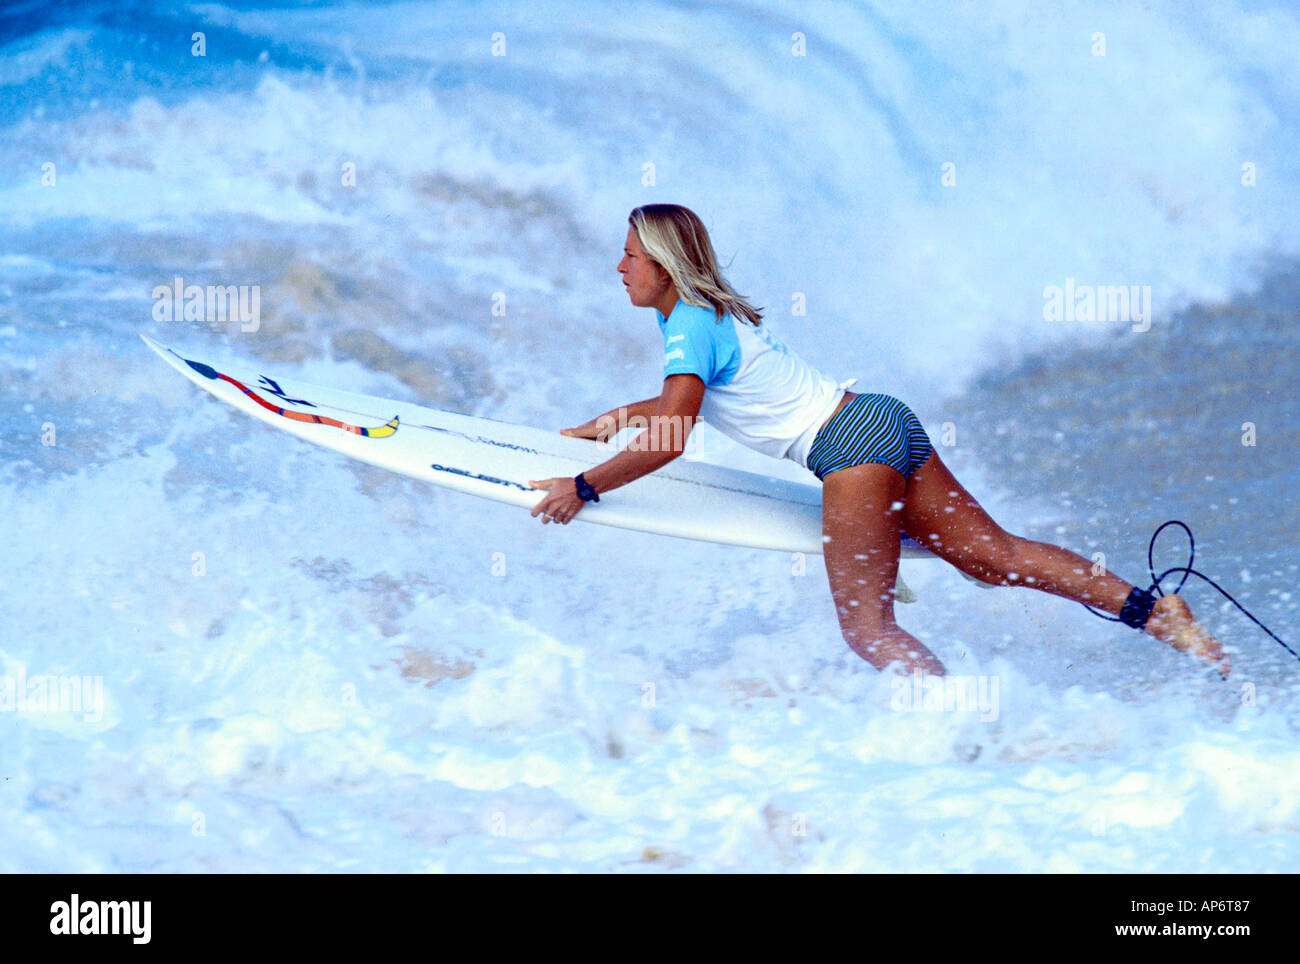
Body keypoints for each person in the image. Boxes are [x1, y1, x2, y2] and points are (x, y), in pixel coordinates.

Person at [529, 204, 1229, 677]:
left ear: (661, 266)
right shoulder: (706, 316)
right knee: (995, 558)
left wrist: (583, 487)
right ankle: (1154, 610)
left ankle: (954, 726)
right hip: (880, 418)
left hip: (852, 455)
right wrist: (624, 412)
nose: (618, 269)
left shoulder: (685, 326)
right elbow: (708, 398)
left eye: (628, 257)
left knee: (868, 629)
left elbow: (673, 439)